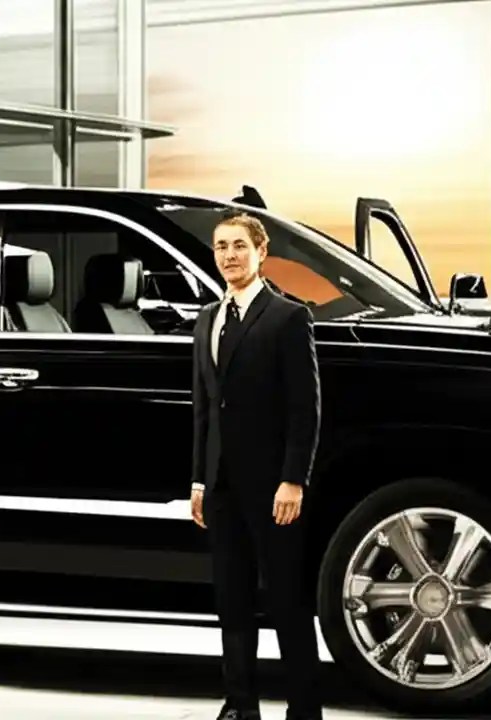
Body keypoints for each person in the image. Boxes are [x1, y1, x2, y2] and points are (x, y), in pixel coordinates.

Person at [190, 211, 323, 720]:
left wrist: (294, 479)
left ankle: (305, 710)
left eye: (240, 246)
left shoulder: (289, 318)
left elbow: (305, 408)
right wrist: (199, 480)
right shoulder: (207, 319)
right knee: (233, 603)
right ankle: (240, 706)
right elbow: (203, 408)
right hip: (221, 486)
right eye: (222, 247)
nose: (229, 256)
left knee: (288, 603)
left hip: (274, 488)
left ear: (261, 253)